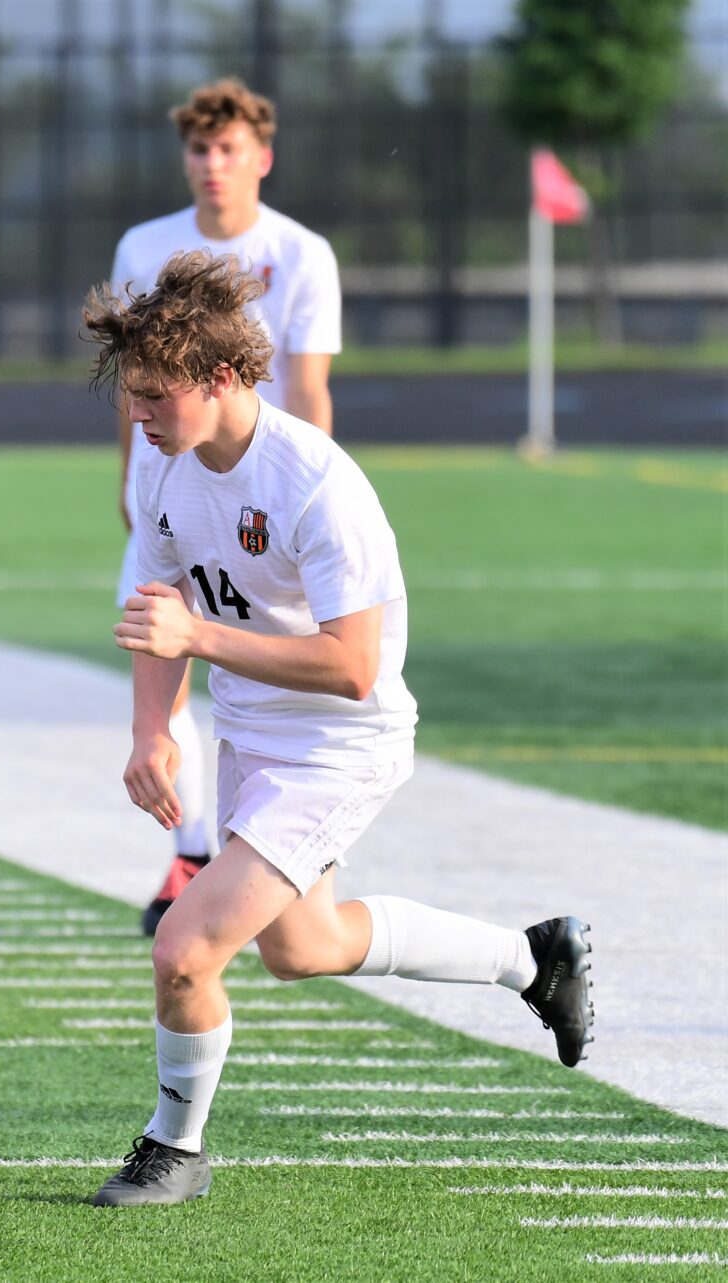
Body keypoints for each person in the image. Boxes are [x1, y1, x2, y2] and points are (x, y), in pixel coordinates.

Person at [84, 250, 592, 1208]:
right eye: (132, 394)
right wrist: (153, 730)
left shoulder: (316, 482)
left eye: (154, 395)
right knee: (301, 948)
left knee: (185, 949)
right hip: (252, 738)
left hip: (340, 746)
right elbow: (161, 613)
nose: (138, 416)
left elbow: (355, 666)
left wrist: (201, 636)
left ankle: (174, 1150)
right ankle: (536, 959)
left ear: (224, 378)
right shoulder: (168, 471)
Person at [106, 78, 343, 935]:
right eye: (200, 149)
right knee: (158, 653)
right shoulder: (145, 245)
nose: (213, 165)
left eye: (229, 149)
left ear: (262, 158)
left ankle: (290, 848)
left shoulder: (302, 252)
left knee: (275, 666)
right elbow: (132, 382)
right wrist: (134, 482)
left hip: (265, 496)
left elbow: (310, 387)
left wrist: (311, 493)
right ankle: (194, 851)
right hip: (176, 488)